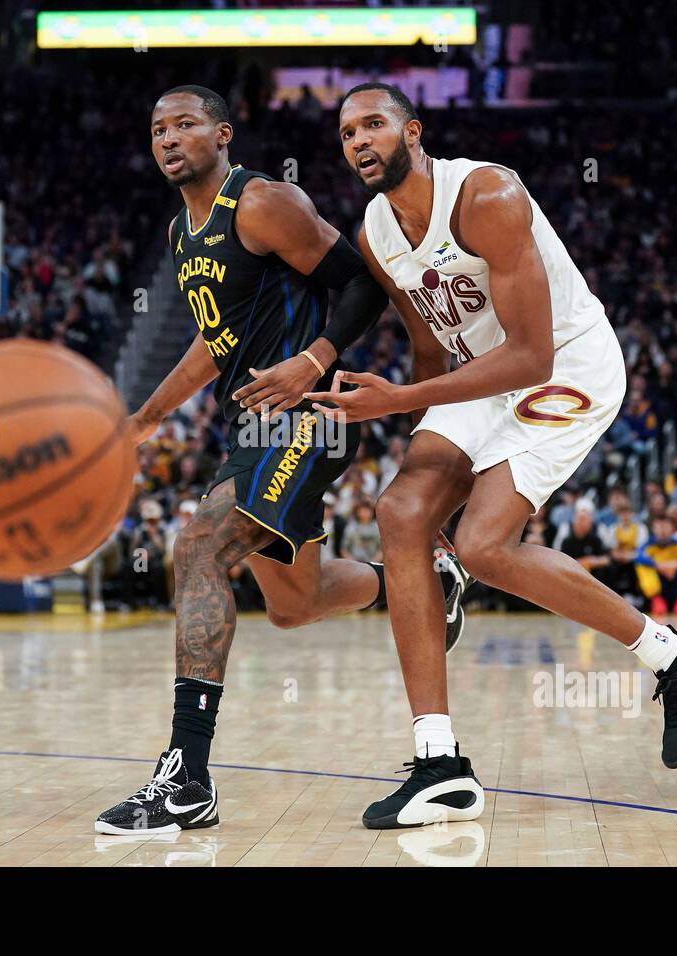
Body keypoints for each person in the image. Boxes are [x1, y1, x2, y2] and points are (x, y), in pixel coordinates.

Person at [304, 83, 677, 828]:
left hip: (564, 365)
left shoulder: (487, 194)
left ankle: (675, 655)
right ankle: (439, 766)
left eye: (373, 125)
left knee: (485, 546)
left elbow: (531, 356)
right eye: (346, 134)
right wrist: (426, 468)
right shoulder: (375, 229)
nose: (359, 142)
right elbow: (430, 346)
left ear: (413, 132)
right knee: (401, 513)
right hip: (478, 373)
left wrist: (396, 402)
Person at [94, 85, 471, 837]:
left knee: (199, 546)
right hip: (254, 425)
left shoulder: (261, 202)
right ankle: (426, 583)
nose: (169, 138)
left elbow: (364, 282)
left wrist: (313, 360)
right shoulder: (182, 232)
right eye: (157, 128)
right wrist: (146, 417)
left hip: (311, 416)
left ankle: (186, 780)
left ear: (222, 133)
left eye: (185, 124)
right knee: (294, 605)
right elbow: (216, 341)